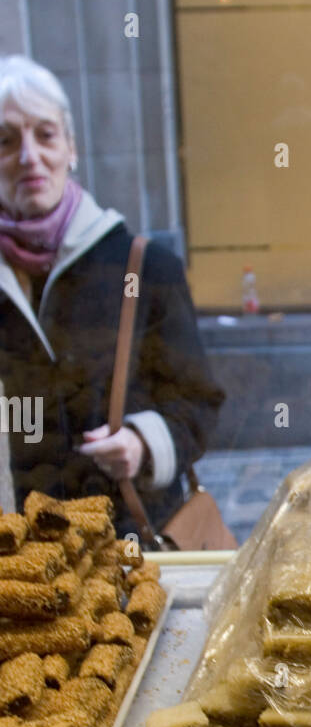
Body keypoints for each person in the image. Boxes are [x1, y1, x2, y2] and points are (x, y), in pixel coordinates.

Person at [0, 55, 225, 539]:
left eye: (45, 135)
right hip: (18, 554)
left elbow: (198, 401)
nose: (29, 156)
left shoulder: (145, 267)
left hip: (130, 544)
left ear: (71, 147)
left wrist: (143, 444)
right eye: (6, 141)